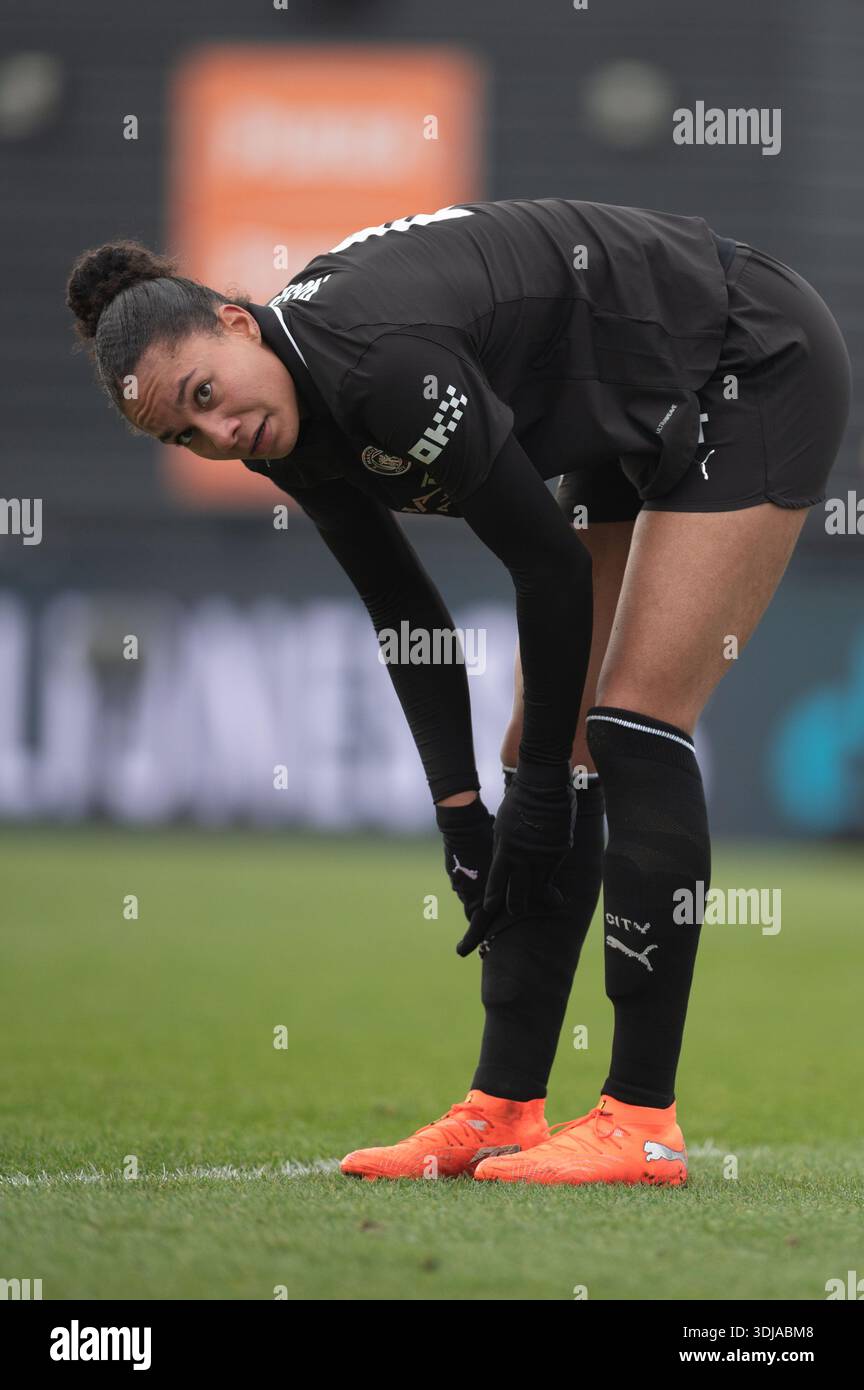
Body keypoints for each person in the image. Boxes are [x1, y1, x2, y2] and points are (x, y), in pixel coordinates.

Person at [66, 198, 851, 1186]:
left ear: (235, 319)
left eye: (207, 393)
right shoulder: (277, 416)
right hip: (622, 399)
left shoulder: (373, 362)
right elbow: (402, 605)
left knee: (631, 722)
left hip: (742, 353)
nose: (221, 433)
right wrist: (462, 812)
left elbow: (549, 573)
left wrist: (526, 805)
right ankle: (506, 1107)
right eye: (188, 433)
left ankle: (643, 1122)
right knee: (545, 752)